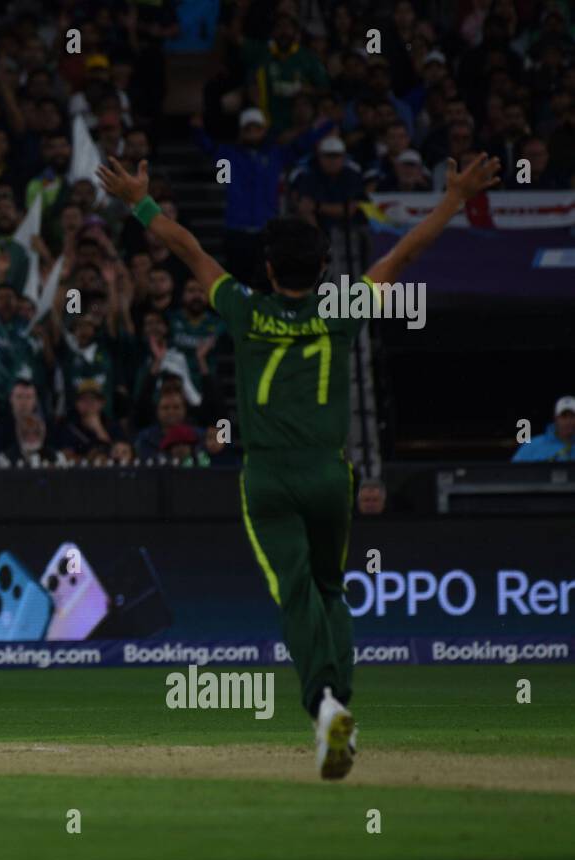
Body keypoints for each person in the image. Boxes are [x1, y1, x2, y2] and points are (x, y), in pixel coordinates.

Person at [98, 150, 501, 781]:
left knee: (294, 596)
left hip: (268, 477)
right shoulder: (339, 311)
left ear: (265, 266)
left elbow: (186, 248)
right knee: (331, 588)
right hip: (328, 475)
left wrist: (138, 200)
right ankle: (339, 702)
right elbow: (402, 257)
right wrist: (452, 199)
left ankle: (323, 707)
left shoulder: (243, 308)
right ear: (323, 268)